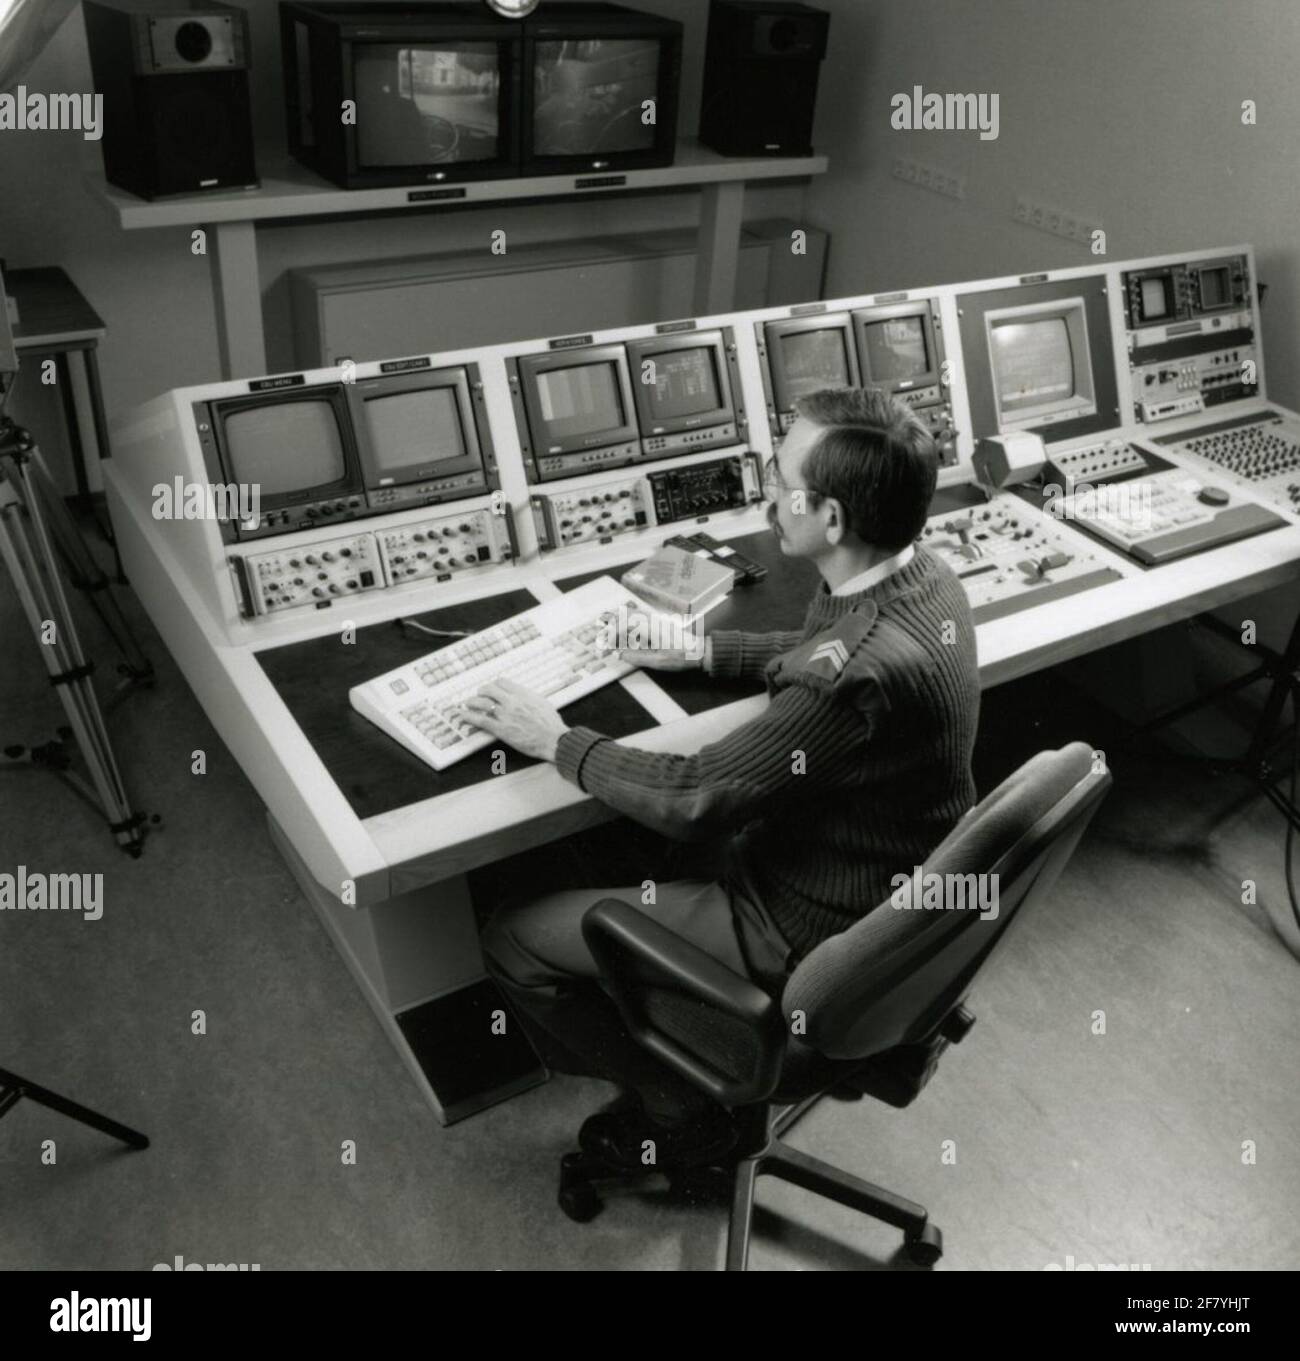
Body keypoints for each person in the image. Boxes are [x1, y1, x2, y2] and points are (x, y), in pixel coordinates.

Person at [461, 387, 981, 1168]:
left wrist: (556, 738)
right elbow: (825, 647)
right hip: (878, 891)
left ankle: (682, 1112)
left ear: (830, 519)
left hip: (795, 927)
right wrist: (703, 652)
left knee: (511, 936)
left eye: (780, 483)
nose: (770, 498)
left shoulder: (860, 674)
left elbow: (695, 796)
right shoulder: (920, 581)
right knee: (616, 859)